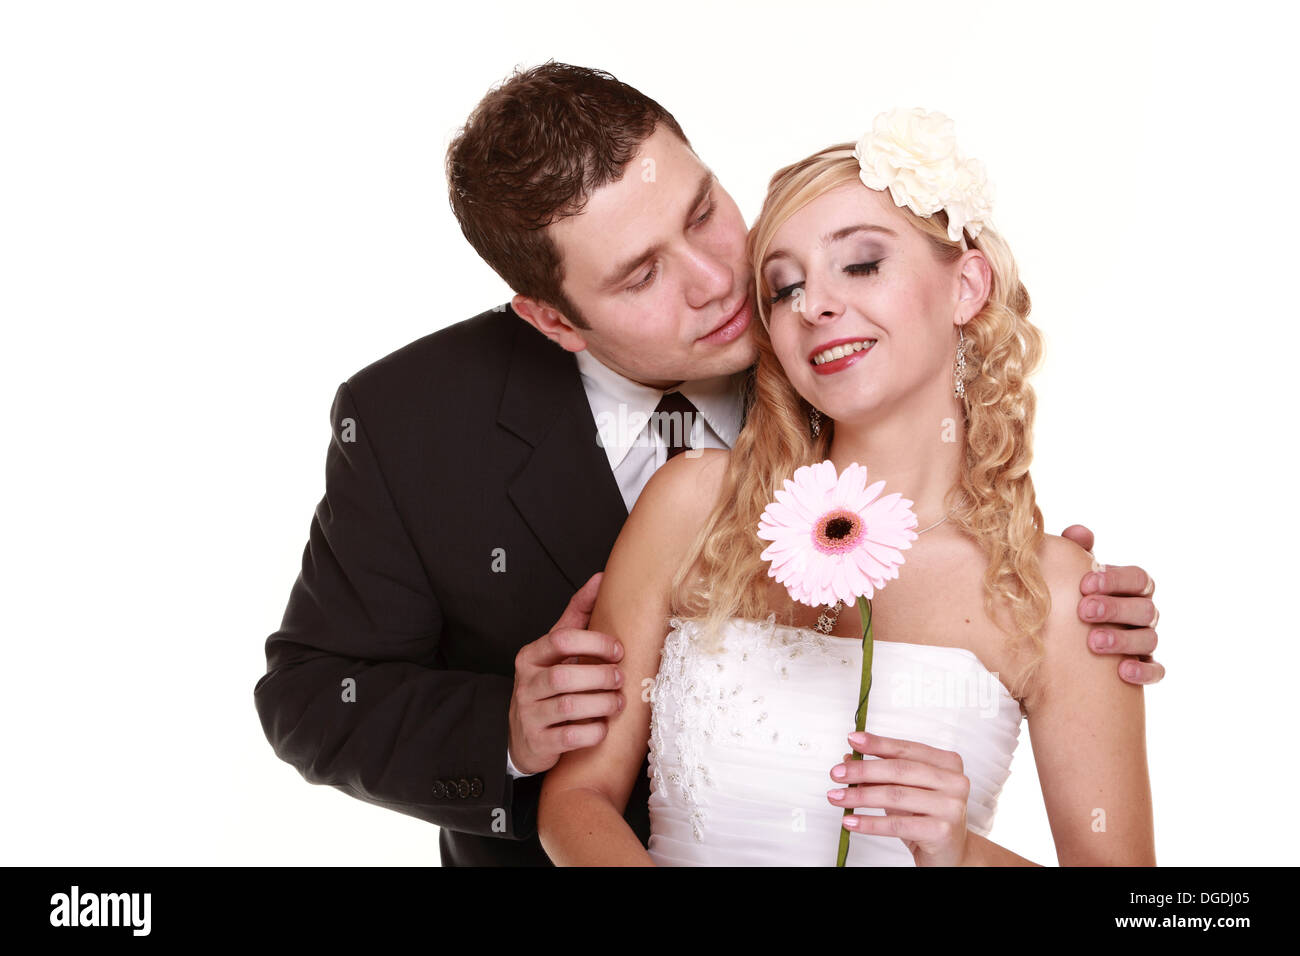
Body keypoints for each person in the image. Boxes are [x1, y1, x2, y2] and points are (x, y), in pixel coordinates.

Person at [253, 63, 1163, 867]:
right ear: (555, 320)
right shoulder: (415, 421)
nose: (721, 283)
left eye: (703, 213)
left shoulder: (834, 333)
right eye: (641, 275)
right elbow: (313, 693)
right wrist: (509, 732)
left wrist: (1040, 596)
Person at [536, 110, 1155, 865]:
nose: (815, 305)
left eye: (860, 264)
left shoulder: (1061, 597)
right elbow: (575, 801)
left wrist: (960, 854)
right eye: (783, 287)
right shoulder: (691, 505)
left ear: (966, 286)